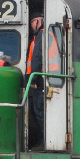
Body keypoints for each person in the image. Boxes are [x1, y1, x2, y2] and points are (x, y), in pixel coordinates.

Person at [26, 15, 46, 150]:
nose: (31, 25)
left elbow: (38, 56)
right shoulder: (38, 36)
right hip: (39, 81)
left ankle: (44, 142)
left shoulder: (42, 35)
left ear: (39, 20)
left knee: (40, 114)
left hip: (40, 82)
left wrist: (33, 79)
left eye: (32, 21)